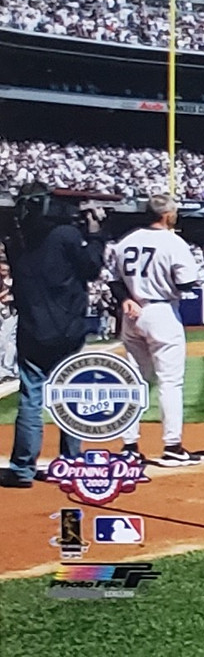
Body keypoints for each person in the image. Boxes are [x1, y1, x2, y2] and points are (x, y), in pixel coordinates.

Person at [2, 183, 105, 488]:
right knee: (70, 397)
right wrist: (95, 230)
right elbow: (92, 269)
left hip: (32, 328)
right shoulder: (66, 236)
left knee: (31, 399)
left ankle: (22, 469)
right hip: (68, 329)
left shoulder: (15, 239)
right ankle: (71, 464)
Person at [108, 193, 202, 466]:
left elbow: (114, 280)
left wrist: (126, 298)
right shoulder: (173, 242)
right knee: (170, 382)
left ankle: (129, 446)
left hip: (131, 313)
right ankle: (172, 446)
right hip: (161, 311)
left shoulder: (127, 240)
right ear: (166, 215)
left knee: (133, 380)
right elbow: (187, 284)